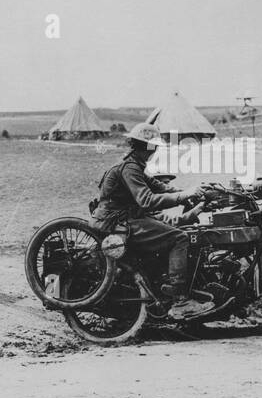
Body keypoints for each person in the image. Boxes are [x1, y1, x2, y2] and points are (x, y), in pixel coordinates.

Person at [90, 122, 212, 320]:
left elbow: (161, 187)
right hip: (119, 223)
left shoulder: (134, 166)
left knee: (172, 230)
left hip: (121, 220)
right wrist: (185, 195)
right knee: (179, 238)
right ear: (147, 147)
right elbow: (146, 200)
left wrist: (192, 192)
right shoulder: (130, 168)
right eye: (153, 146)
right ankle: (180, 301)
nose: (155, 150)